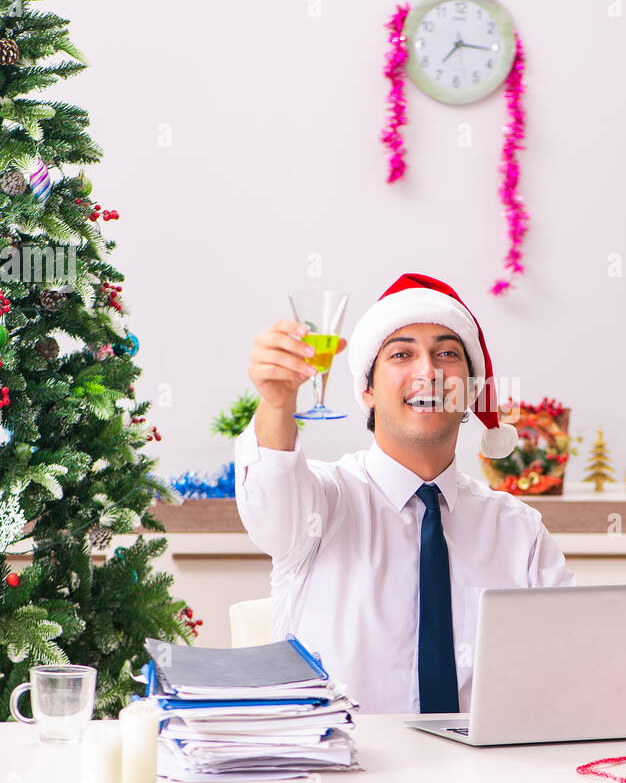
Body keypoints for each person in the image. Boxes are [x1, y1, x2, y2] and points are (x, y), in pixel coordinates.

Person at [235, 272, 575, 714]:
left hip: (485, 775)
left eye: (447, 353)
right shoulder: (321, 501)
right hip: (341, 770)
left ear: (470, 390)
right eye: (402, 354)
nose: (428, 371)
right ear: (368, 390)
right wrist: (277, 404)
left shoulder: (518, 531)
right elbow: (271, 498)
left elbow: (571, 664)